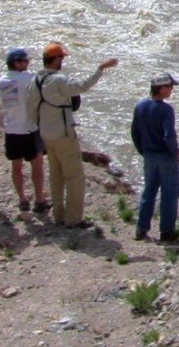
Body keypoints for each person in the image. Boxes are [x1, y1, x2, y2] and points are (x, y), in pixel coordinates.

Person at [34, 43, 117, 228]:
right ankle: (73, 219)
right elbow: (83, 86)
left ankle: (58, 215)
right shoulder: (58, 80)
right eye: (61, 58)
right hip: (63, 133)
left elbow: (31, 108)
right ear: (55, 60)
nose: (62, 61)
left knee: (55, 174)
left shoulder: (36, 81)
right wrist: (100, 69)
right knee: (74, 176)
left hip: (46, 133)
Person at [131, 71, 179, 242]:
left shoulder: (140, 106)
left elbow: (134, 132)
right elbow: (169, 135)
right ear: (161, 89)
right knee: (170, 193)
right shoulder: (166, 110)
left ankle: (141, 229)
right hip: (165, 156)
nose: (171, 91)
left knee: (149, 191)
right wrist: (175, 152)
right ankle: (167, 231)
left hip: (149, 155)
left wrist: (143, 150)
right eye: (169, 87)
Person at [0, 46, 46, 215]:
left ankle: (22, 199)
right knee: (37, 166)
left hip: (12, 129)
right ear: (16, 63)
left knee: (16, 166)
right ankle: (39, 200)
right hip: (30, 128)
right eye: (25, 60)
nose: (28, 63)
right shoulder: (29, 78)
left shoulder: (2, 81)